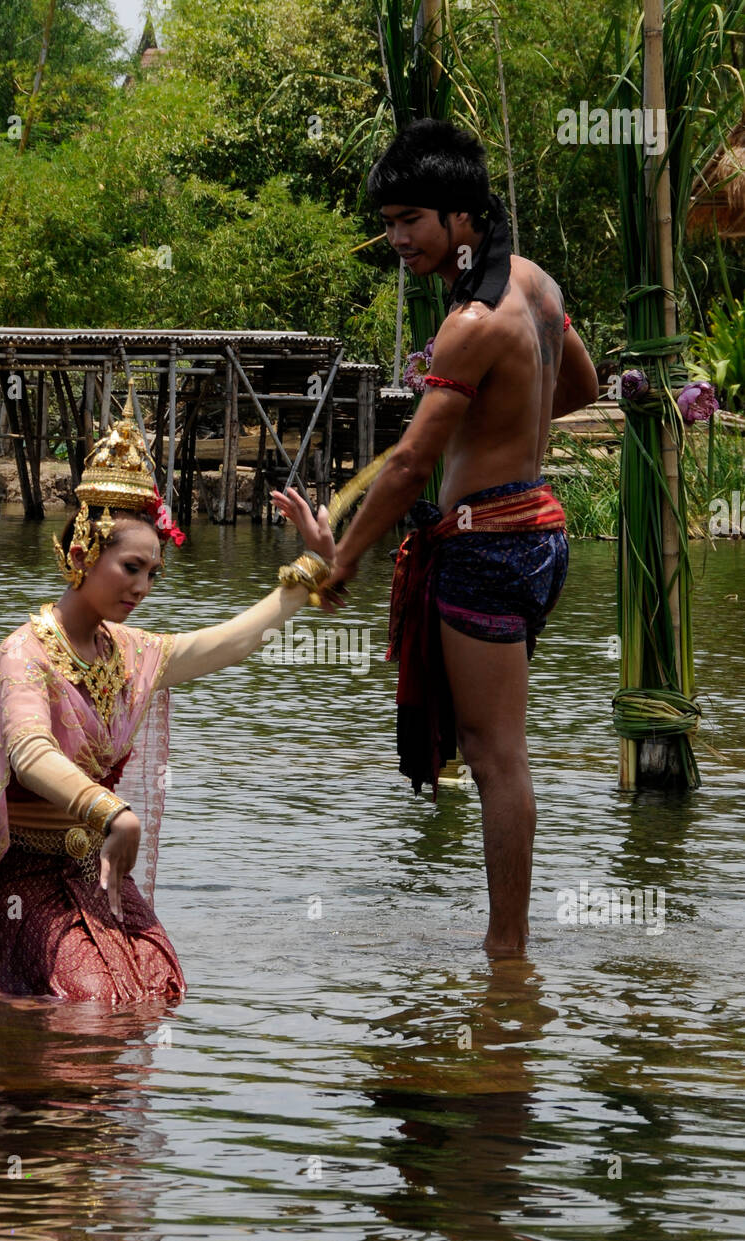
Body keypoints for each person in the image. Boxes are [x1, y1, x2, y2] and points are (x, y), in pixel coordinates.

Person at [0, 394, 334, 1004]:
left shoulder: (130, 651)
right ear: (81, 554)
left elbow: (223, 645)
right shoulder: (26, 653)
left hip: (95, 871)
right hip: (26, 878)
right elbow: (28, 752)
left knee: (159, 987)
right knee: (97, 1002)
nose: (142, 587)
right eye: (130, 567)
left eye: (153, 573)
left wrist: (308, 569)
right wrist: (110, 813)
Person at [321, 120, 599, 958]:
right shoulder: (537, 286)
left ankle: (506, 953)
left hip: (487, 546)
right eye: (391, 219)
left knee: (493, 758)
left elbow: (409, 466)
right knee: (496, 752)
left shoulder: (471, 321)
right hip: (537, 531)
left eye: (412, 218)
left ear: (462, 217)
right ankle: (505, 951)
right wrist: (507, 418)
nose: (397, 236)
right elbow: (580, 382)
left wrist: (345, 554)